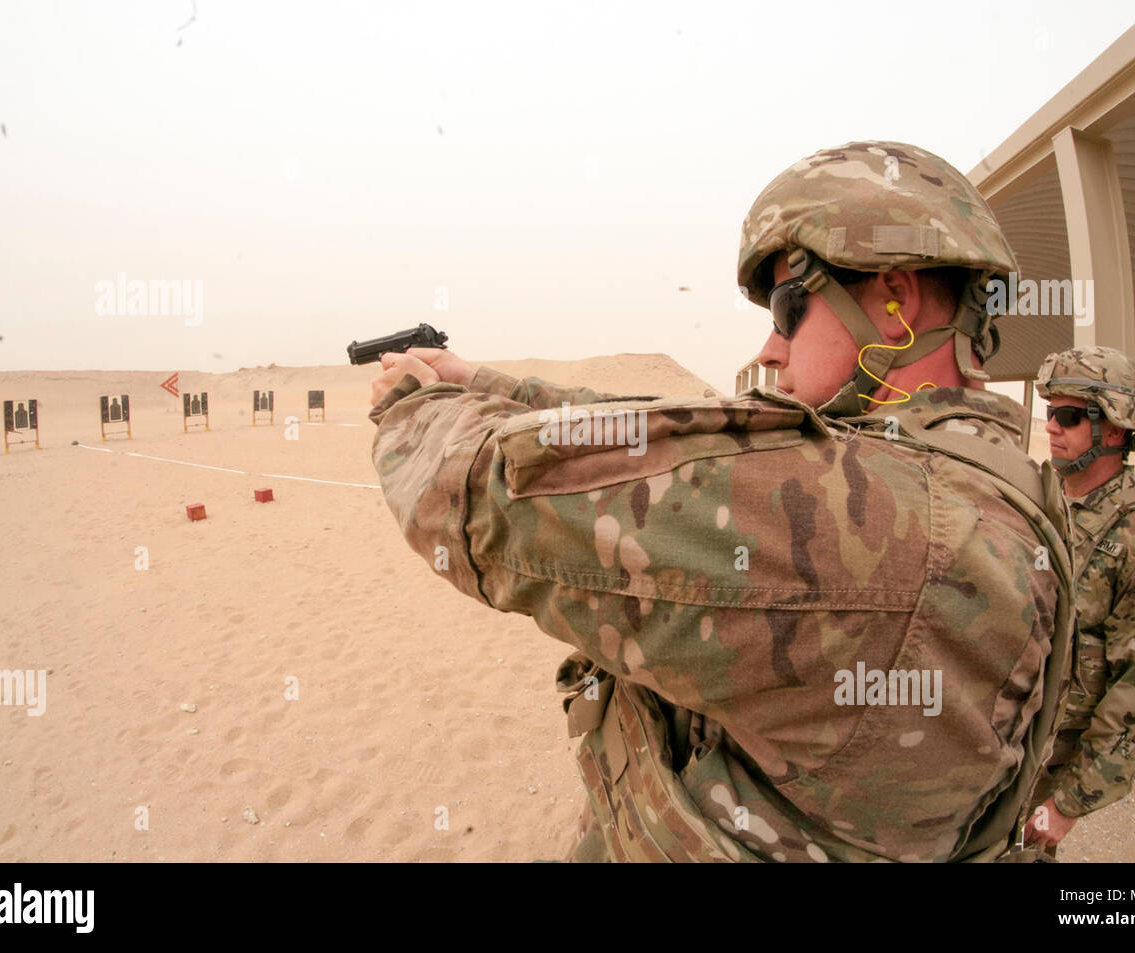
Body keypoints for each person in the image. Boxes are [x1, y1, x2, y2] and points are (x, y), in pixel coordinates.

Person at [367, 140, 1074, 862]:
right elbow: (668, 434)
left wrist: (410, 407)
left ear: (895, 302)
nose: (770, 348)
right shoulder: (987, 487)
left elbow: (478, 497)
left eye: (787, 308)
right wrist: (476, 377)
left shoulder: (874, 512)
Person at [1026, 346, 1135, 853]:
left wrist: (1066, 805)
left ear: (1115, 430)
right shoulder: (1032, 498)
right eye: (1050, 412)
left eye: (1070, 416)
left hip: (1041, 769)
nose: (1052, 426)